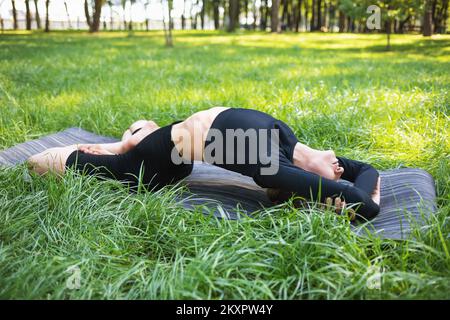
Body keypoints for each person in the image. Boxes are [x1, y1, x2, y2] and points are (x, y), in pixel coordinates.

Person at [27, 107, 381, 220]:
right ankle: (132, 138)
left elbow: (363, 202)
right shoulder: (287, 141)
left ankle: (83, 151)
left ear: (301, 177)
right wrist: (359, 190)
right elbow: (367, 174)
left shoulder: (271, 163)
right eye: (339, 170)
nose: (341, 168)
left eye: (337, 176)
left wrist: (359, 197)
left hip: (161, 163)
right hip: (168, 146)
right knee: (139, 154)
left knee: (39, 163)